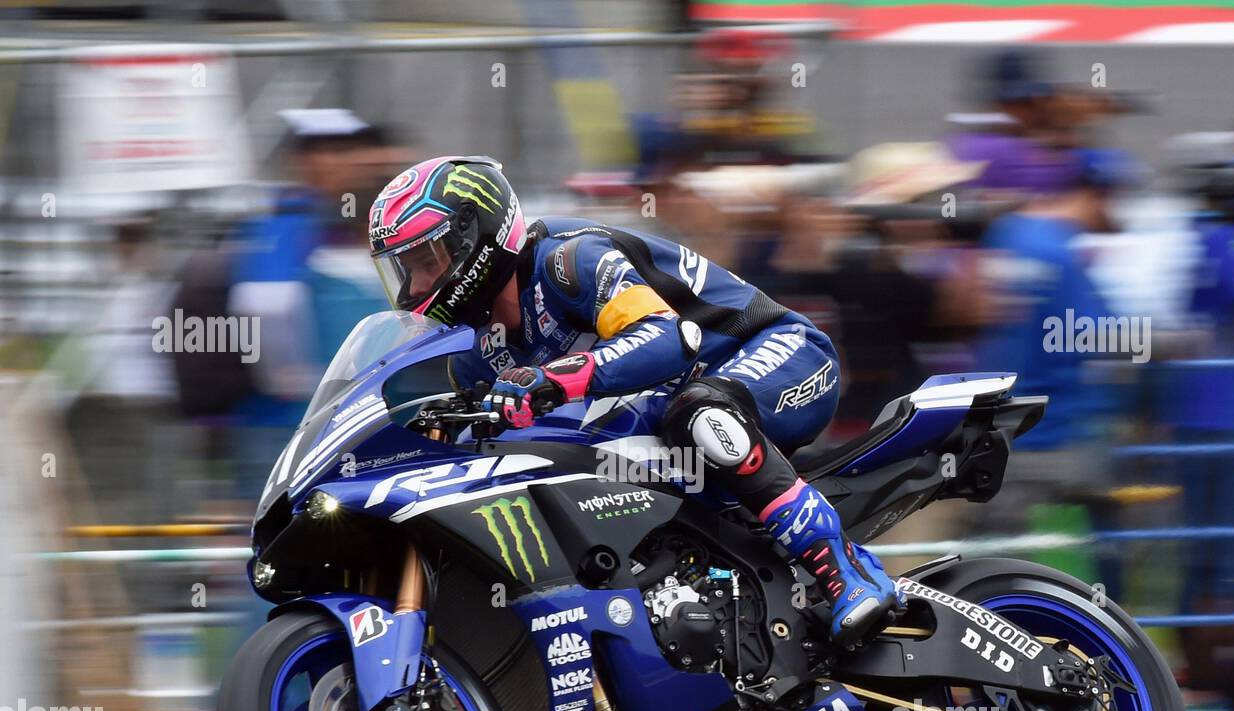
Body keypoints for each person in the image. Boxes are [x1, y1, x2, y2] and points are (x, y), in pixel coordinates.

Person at [367, 155, 904, 650]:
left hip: (778, 352)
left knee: (696, 411)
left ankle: (847, 568)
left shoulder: (568, 261)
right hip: (682, 401)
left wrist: (556, 380)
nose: (415, 285)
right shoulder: (478, 348)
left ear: (472, 237)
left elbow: (670, 339)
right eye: (403, 270)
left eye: (424, 261)